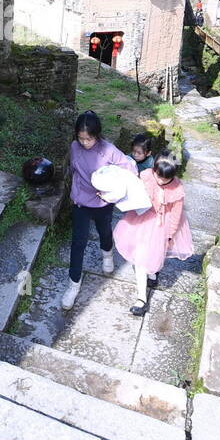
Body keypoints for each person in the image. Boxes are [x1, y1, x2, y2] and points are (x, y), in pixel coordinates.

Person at [64, 110, 137, 310]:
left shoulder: (108, 150)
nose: (85, 143)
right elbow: (73, 169)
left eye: (89, 139)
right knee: (78, 242)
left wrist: (113, 190)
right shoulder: (74, 147)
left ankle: (107, 254)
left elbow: (128, 168)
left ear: (97, 135)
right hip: (81, 202)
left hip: (103, 202)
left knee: (104, 231)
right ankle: (73, 284)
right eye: (81, 138)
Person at [113, 153, 194, 316]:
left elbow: (176, 215)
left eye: (166, 178)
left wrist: (170, 234)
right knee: (141, 257)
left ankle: (153, 273)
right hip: (141, 218)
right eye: (159, 176)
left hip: (161, 224)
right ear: (154, 169)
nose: (161, 181)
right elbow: (132, 191)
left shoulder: (177, 190)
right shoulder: (146, 176)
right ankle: (141, 298)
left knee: (153, 254)